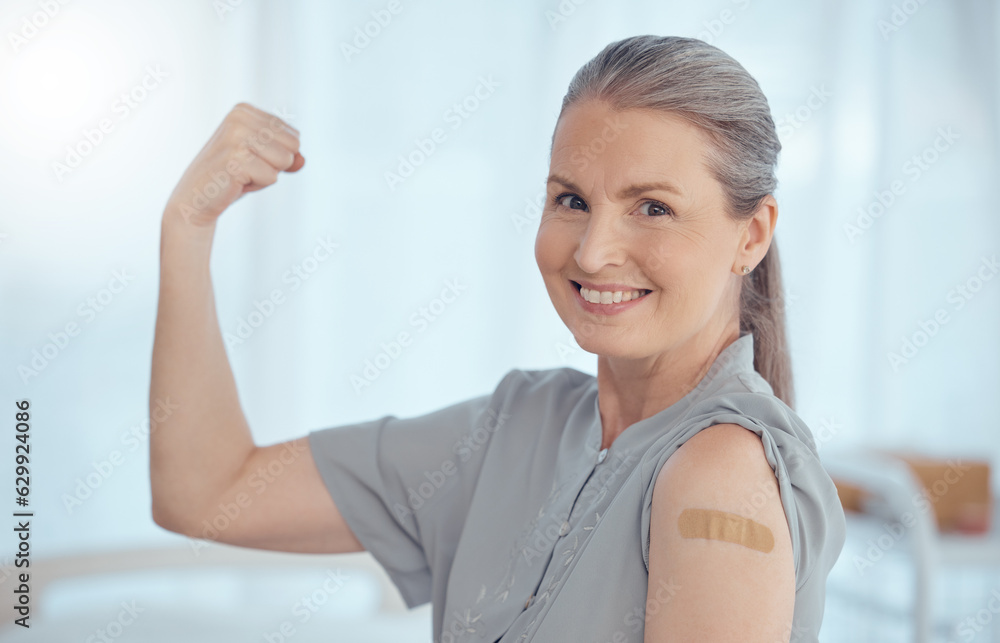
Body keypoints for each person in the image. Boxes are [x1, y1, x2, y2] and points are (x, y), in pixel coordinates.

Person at [149, 35, 846, 643]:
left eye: (653, 208)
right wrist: (187, 230)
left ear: (751, 235)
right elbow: (206, 491)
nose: (593, 251)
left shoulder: (721, 474)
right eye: (572, 200)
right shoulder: (518, 428)